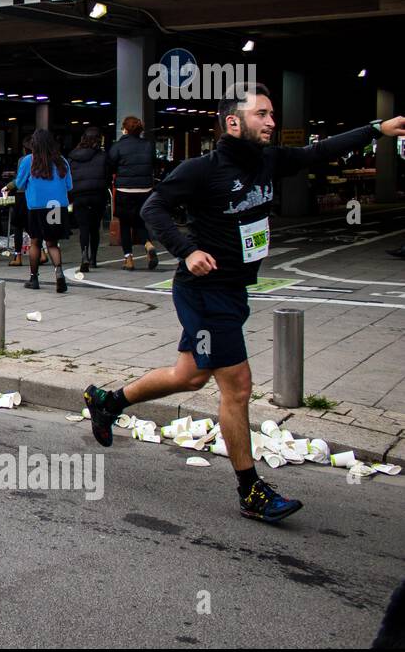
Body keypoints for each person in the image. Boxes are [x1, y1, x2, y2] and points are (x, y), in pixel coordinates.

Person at [85, 88, 405, 523]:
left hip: (233, 289)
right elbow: (153, 208)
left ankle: (108, 401)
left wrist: (375, 129)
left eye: (272, 113)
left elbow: (318, 151)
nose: (271, 121)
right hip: (203, 291)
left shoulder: (268, 161)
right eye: (262, 114)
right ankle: (250, 490)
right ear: (233, 123)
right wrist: (187, 250)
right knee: (236, 388)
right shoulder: (202, 169)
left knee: (190, 376)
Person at [11, 129, 72, 292]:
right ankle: (59, 275)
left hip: (36, 207)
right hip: (56, 206)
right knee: (52, 243)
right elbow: (69, 186)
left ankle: (34, 278)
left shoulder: (27, 161)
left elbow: (20, 184)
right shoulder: (62, 161)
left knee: (35, 242)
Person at [108, 116, 159, 271]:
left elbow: (111, 166)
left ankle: (128, 259)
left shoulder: (118, 146)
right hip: (145, 189)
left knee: (125, 224)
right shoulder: (148, 145)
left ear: (125, 129)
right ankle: (148, 244)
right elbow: (153, 164)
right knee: (139, 220)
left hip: (125, 190)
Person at [68, 127, 108, 273]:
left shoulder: (72, 156)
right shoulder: (103, 156)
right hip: (98, 194)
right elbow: (107, 174)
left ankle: (84, 255)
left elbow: (68, 176)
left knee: (83, 227)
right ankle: (93, 259)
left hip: (79, 195)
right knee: (94, 228)